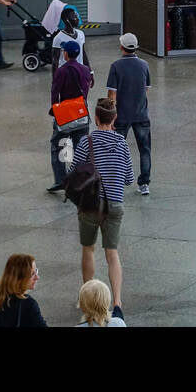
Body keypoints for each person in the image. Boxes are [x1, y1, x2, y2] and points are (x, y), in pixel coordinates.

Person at [62, 98, 132, 310]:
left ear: (96, 118)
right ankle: (117, 303)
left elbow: (73, 171)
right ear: (115, 119)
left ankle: (88, 300)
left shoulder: (86, 142)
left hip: (90, 205)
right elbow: (129, 178)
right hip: (114, 205)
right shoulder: (122, 143)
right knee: (112, 253)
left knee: (88, 250)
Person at [106, 32, 151, 195]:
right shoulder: (144, 65)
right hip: (141, 115)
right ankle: (144, 184)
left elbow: (112, 95)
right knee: (144, 149)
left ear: (121, 47)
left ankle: (114, 182)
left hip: (121, 116)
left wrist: (111, 115)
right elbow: (146, 89)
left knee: (116, 149)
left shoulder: (116, 66)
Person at [48, 40, 93, 193]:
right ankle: (81, 180)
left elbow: (55, 92)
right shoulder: (85, 69)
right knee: (81, 147)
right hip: (81, 114)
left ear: (65, 53)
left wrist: (54, 108)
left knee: (58, 145)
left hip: (65, 116)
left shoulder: (61, 71)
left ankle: (61, 180)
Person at [0, 254, 46, 327]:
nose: (37, 277)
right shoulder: (29, 304)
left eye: (36, 271)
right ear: (19, 279)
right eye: (32, 274)